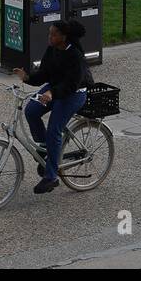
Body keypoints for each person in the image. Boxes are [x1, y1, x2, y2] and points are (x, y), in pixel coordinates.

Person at [11, 18, 90, 195]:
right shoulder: (52, 49)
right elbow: (44, 74)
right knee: (31, 111)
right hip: (54, 89)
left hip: (74, 93)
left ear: (64, 37)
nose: (50, 36)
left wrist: (52, 93)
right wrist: (27, 78)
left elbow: (72, 84)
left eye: (54, 34)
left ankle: (51, 176)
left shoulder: (74, 55)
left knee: (54, 129)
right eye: (49, 33)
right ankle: (46, 153)